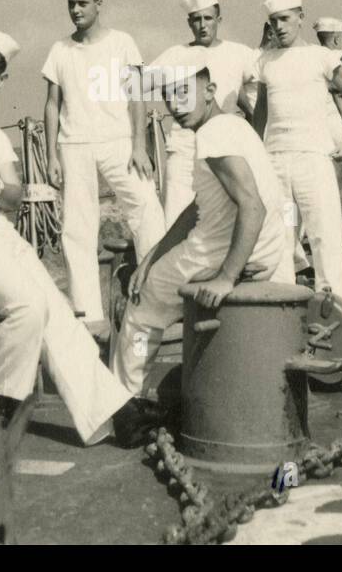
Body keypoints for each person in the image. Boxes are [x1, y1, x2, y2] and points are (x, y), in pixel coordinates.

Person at [0, 27, 130, 444]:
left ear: (1, 79)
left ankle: (109, 414)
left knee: (59, 314)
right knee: (28, 307)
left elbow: (13, 197)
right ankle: (0, 411)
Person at [112, 49, 293, 445]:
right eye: (167, 95)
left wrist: (227, 276)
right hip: (261, 250)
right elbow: (199, 205)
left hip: (221, 250)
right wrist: (156, 254)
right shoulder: (233, 126)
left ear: (209, 90)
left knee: (140, 308)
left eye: (183, 92)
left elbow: (253, 205)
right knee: (153, 274)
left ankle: (127, 406)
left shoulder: (212, 135)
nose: (175, 105)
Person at [41, 0, 164, 335]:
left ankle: (155, 294)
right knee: (78, 228)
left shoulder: (122, 43)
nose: (76, 11)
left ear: (99, 3)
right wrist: (50, 156)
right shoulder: (59, 50)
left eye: (82, 4)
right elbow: (51, 106)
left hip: (118, 140)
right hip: (74, 143)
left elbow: (138, 95)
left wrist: (140, 145)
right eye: (71, 5)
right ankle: (89, 314)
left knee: (146, 207)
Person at [251, 0, 342, 299]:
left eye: (285, 19)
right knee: (281, 235)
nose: (280, 27)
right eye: (274, 21)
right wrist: (256, 150)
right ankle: (284, 307)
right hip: (275, 159)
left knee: (324, 232)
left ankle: (337, 306)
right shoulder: (265, 61)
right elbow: (261, 110)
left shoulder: (321, 57)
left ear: (300, 17)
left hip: (313, 159)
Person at [151, 0, 256, 226]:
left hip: (224, 149)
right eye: (196, 20)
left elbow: (262, 90)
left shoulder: (240, 53)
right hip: (184, 149)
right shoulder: (175, 54)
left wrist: (253, 131)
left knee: (224, 219)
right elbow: (136, 85)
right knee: (176, 221)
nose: (202, 25)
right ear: (189, 23)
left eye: (208, 18)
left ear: (219, 19)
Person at [314, 16, 342, 254]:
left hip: (317, 131)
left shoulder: (312, 58)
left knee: (312, 190)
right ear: (339, 38)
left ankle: (304, 243)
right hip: (340, 130)